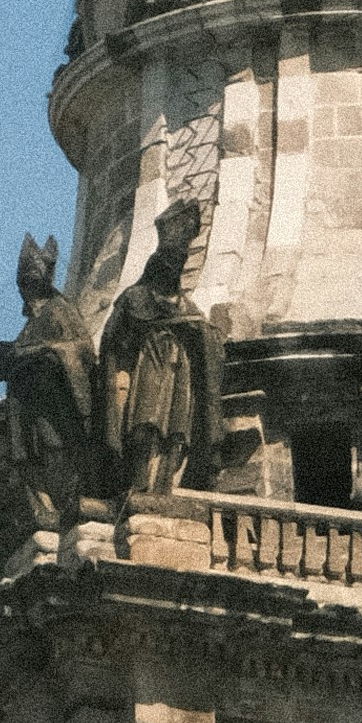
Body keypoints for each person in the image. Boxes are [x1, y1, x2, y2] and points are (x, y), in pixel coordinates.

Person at [0, 235, 102, 521]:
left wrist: (42, 352)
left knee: (55, 452)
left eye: (31, 283)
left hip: (54, 408)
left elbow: (80, 350)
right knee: (33, 460)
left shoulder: (60, 312)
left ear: (44, 282)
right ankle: (49, 507)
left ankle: (63, 503)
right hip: (27, 410)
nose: (26, 292)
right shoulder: (31, 325)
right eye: (22, 285)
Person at [97, 199, 225, 501]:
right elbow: (113, 342)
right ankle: (140, 485)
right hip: (149, 370)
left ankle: (164, 487)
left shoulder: (188, 309)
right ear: (156, 265)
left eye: (178, 264)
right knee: (145, 428)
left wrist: (200, 334)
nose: (173, 269)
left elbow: (206, 338)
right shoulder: (134, 298)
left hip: (178, 375)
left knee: (178, 435)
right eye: (169, 263)